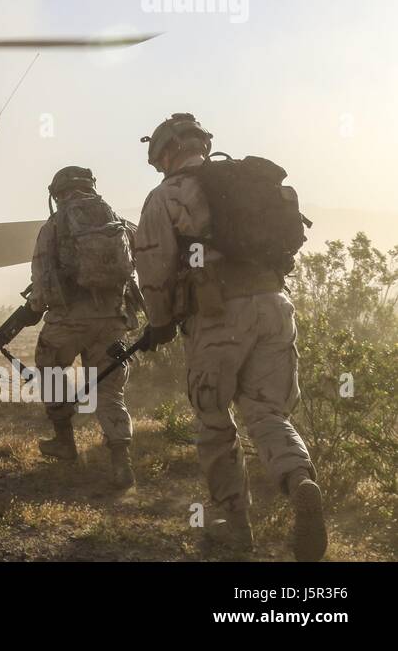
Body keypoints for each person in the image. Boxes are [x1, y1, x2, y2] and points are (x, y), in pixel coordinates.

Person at [134, 113, 326, 560]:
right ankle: (299, 480)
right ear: (203, 143)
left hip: (219, 315)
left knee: (214, 418)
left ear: (165, 153)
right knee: (266, 411)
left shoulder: (166, 195)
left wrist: (159, 322)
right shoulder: (247, 184)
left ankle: (234, 525)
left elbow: (153, 267)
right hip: (276, 306)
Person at [27, 166, 138, 488]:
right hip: (113, 319)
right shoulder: (116, 222)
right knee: (109, 390)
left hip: (69, 321)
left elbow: (42, 278)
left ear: (57, 193)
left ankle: (64, 441)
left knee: (49, 369)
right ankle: (121, 463)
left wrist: (36, 306)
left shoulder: (55, 225)